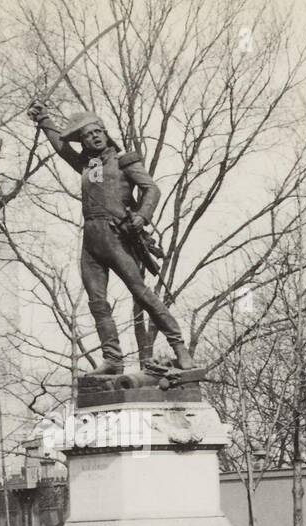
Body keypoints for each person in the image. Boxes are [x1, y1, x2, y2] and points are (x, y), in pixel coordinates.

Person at [27, 101, 193, 375]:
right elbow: (60, 147)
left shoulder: (124, 161)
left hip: (117, 235)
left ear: (105, 132)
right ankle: (113, 359)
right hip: (91, 240)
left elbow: (151, 189)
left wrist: (142, 216)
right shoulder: (86, 165)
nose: (93, 137)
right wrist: (43, 119)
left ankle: (180, 348)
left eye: (97, 131)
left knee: (141, 292)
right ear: (82, 142)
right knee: (97, 302)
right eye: (86, 135)